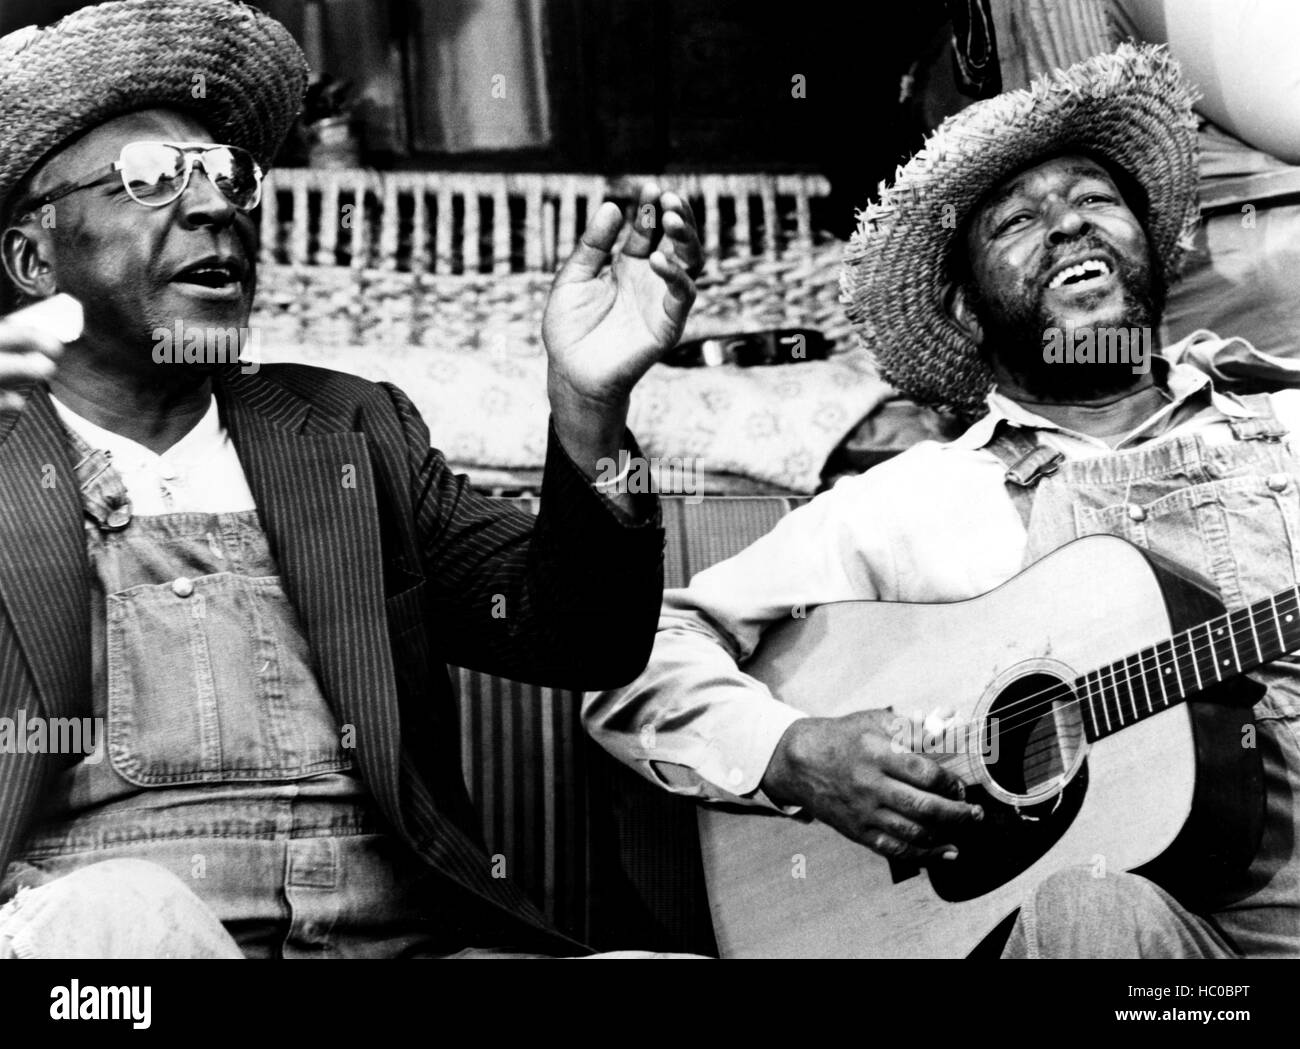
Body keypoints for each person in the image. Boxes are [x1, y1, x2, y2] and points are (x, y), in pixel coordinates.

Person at [0, 0, 702, 959]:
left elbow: (584, 634)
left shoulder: (348, 430)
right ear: (33, 258)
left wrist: (589, 408)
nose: (214, 206)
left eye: (226, 176)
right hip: (106, 960)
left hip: (396, 947)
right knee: (128, 917)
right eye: (151, 178)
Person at [585, 42, 1300, 958]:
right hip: (1162, 971)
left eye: (1095, 199)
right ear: (967, 310)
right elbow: (634, 657)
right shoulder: (913, 501)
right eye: (1017, 223)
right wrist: (792, 751)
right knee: (1087, 910)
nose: (1069, 226)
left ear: (1148, 249)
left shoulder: (1281, 421)